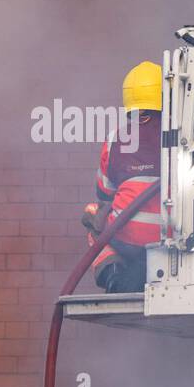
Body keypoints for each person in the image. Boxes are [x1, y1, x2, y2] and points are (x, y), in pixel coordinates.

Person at [83, 61, 163, 293]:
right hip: (171, 238)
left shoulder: (116, 139)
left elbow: (104, 193)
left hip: (127, 237)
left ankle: (113, 275)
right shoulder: (185, 135)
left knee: (93, 218)